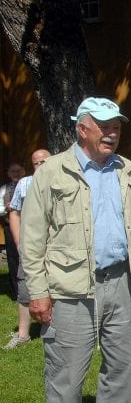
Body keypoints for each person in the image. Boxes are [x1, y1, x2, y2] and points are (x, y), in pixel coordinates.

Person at [21, 96, 131, 403]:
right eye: (104, 127)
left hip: (121, 283)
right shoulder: (52, 171)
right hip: (69, 289)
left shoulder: (129, 170)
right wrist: (38, 291)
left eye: (116, 127)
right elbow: (33, 240)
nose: (112, 133)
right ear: (82, 129)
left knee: (123, 370)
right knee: (65, 377)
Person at [4, 149, 50, 349]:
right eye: (36, 163)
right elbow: (14, 213)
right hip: (31, 246)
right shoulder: (25, 184)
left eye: (44, 161)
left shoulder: (61, 180)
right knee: (24, 288)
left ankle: (49, 328)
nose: (40, 165)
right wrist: (19, 242)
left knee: (57, 286)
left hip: (57, 246)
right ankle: (23, 335)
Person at [1, 161, 25, 301]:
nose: (16, 174)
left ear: (23, 172)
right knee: (13, 259)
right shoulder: (4, 189)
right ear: (8, 174)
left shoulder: (29, 185)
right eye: (13, 171)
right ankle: (16, 292)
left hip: (28, 226)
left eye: (18, 171)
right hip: (10, 227)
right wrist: (7, 208)